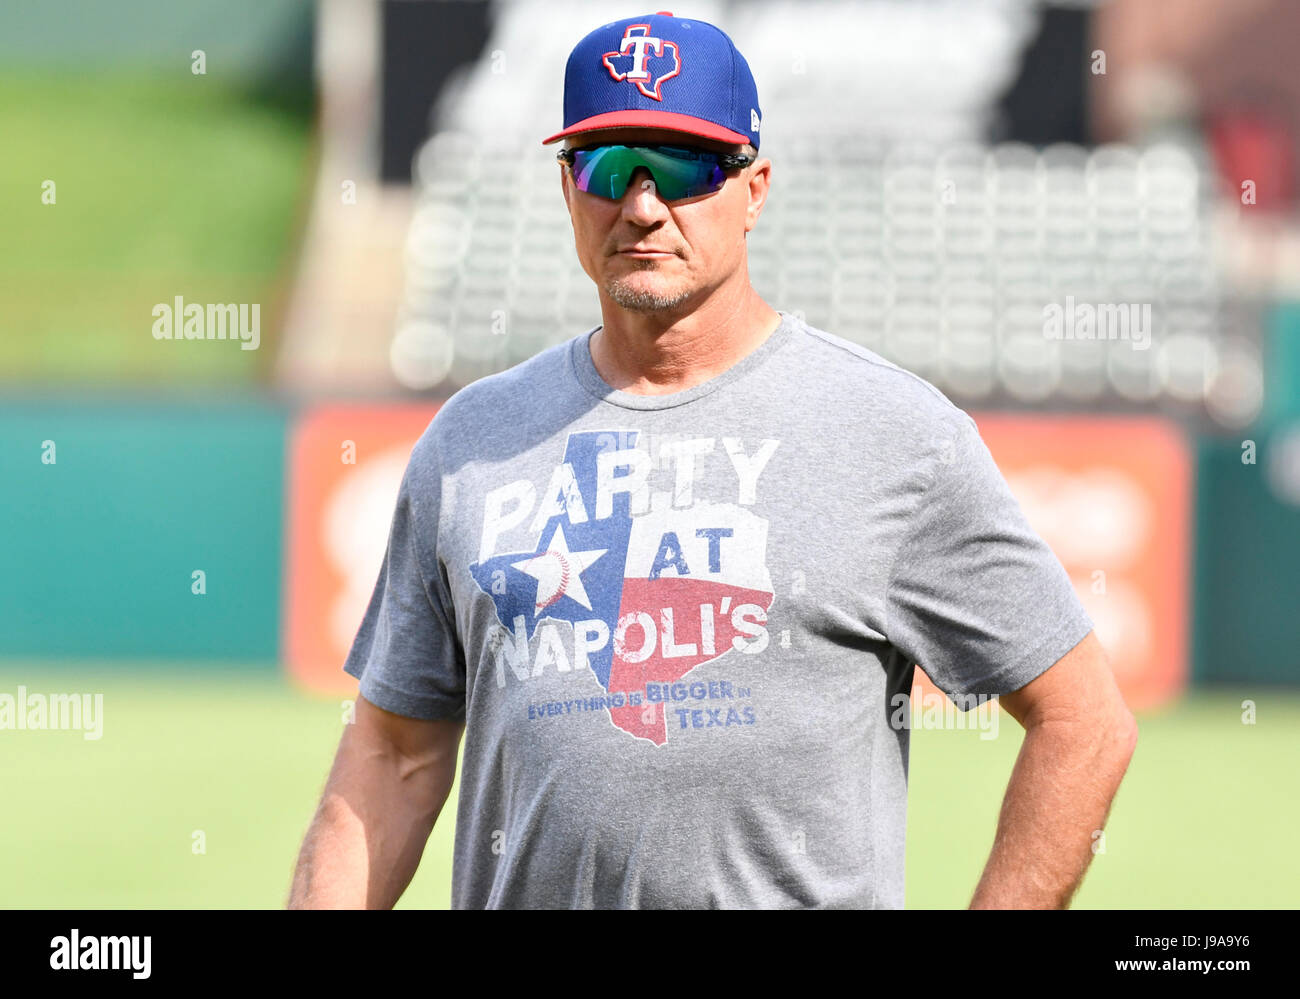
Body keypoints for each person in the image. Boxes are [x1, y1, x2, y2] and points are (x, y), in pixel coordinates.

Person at [288, 10, 1137, 910]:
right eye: (609, 165)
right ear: (567, 187)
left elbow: (1084, 720)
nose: (643, 205)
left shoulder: (893, 435)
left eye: (687, 167)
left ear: (755, 187)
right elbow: (392, 753)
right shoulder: (470, 443)